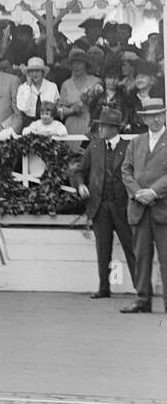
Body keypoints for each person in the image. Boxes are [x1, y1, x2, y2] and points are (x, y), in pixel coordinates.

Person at [71, 108, 136, 300]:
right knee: (102, 249)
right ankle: (104, 288)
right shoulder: (95, 146)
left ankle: (142, 291)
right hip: (99, 205)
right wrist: (81, 185)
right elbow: (78, 170)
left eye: (104, 126)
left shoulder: (129, 146)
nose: (99, 129)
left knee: (131, 247)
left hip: (123, 206)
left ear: (114, 128)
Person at [119, 98, 167, 314]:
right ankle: (142, 299)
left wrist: (153, 191)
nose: (155, 119)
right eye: (151, 116)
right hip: (139, 208)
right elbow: (125, 170)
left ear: (164, 116)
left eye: (159, 114)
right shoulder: (136, 142)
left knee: (166, 256)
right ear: (145, 119)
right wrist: (138, 192)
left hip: (162, 207)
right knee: (141, 255)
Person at [57, 48, 99, 137]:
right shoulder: (66, 84)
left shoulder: (96, 82)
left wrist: (88, 102)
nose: (76, 66)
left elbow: (101, 104)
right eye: (73, 64)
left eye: (79, 63)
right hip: (71, 125)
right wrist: (71, 110)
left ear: (86, 65)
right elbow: (60, 109)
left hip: (91, 124)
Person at [15, 57, 59, 127]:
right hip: (29, 123)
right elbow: (23, 108)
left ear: (42, 72)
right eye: (31, 71)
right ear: (28, 74)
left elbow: (55, 108)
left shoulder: (52, 86)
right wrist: (28, 86)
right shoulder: (22, 88)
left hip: (49, 123)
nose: (34, 74)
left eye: (37, 71)